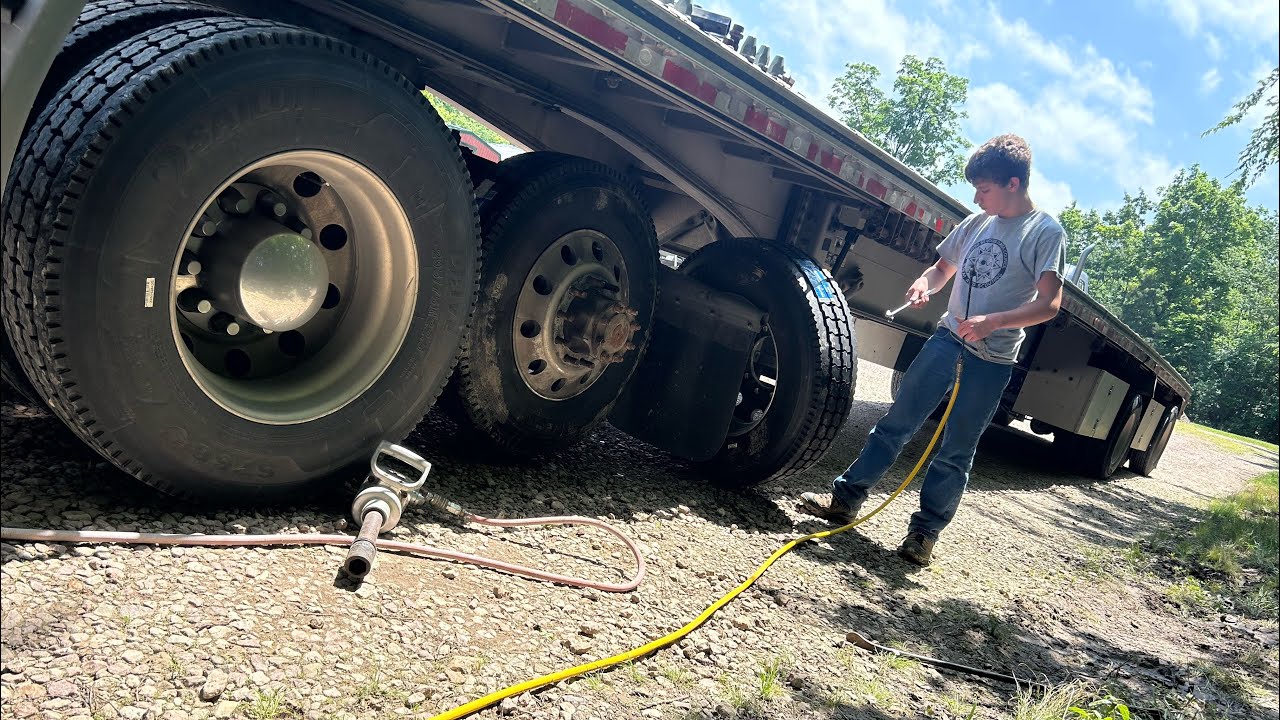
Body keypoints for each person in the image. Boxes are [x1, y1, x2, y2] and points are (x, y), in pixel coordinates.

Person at [798, 134, 1067, 566]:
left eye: (985, 189)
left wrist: (995, 321)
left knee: (956, 450)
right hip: (946, 341)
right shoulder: (978, 223)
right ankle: (845, 499)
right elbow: (943, 268)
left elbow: (1049, 304)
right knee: (895, 424)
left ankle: (923, 535)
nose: (978, 199)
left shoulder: (1044, 232)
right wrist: (925, 284)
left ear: (1014, 183)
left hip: (991, 359)